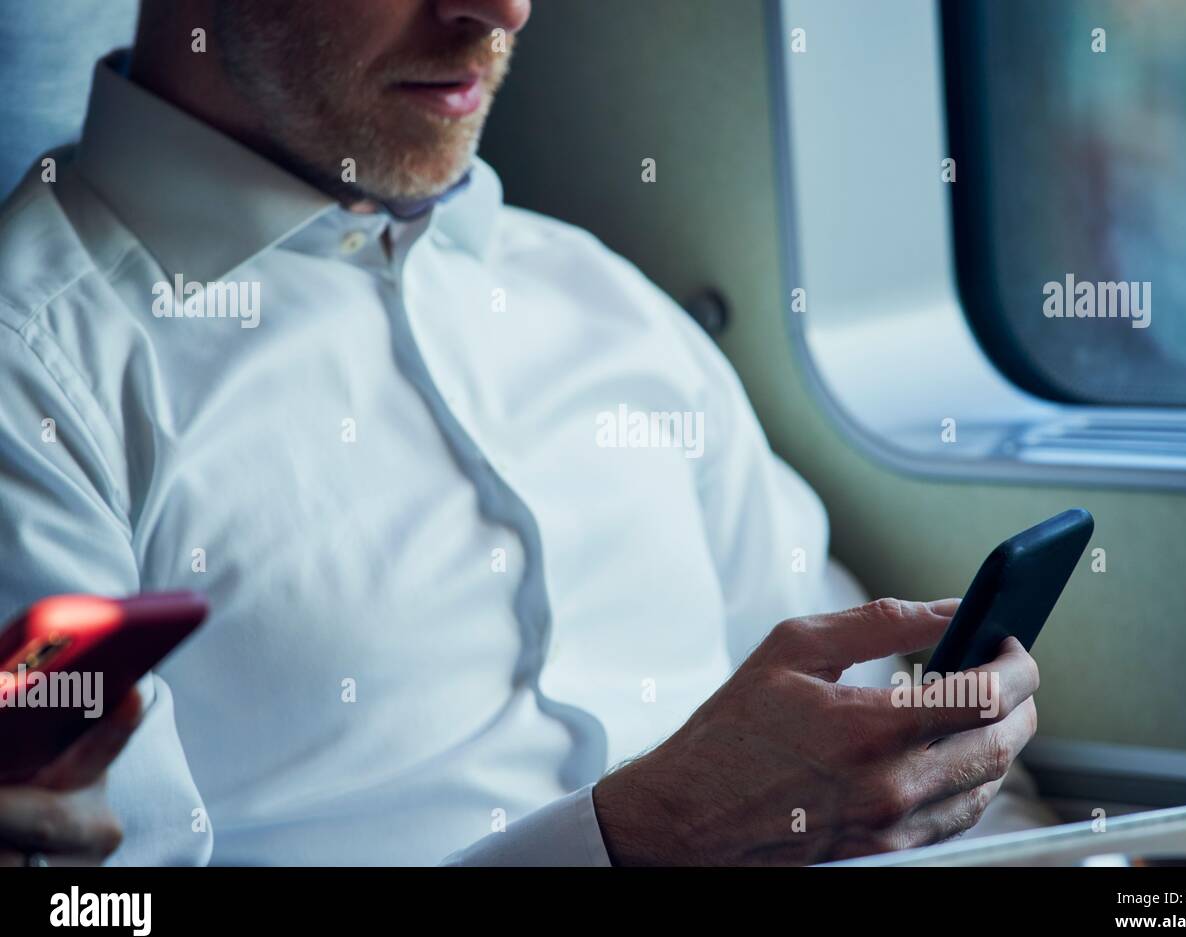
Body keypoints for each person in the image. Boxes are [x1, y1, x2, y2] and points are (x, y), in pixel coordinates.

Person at [0, 0, 1043, 866]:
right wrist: (640, 839)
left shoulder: (603, 300)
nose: (500, 10)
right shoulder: (32, 380)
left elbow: (878, 734)